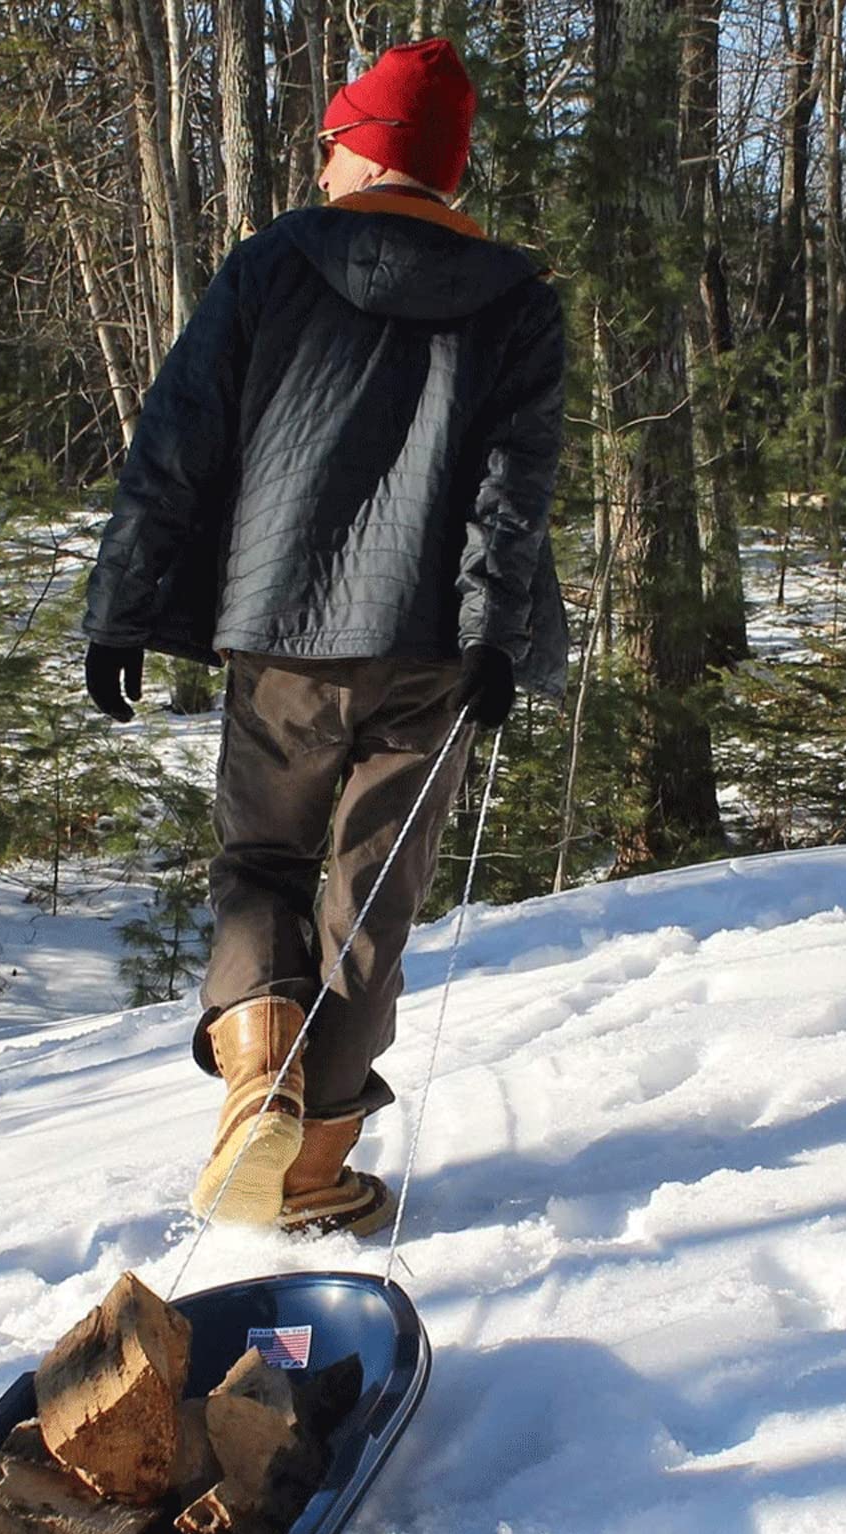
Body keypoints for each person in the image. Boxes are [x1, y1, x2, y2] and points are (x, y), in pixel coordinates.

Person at [82, 37, 567, 1235]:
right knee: (367, 904)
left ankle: (259, 1084)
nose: (324, 160)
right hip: (431, 655)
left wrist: (124, 601)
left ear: (361, 148)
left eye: (333, 140)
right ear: (445, 171)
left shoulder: (267, 269)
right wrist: (494, 638)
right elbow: (514, 489)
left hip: (281, 639)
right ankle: (310, 1170)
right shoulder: (517, 299)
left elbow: (176, 438)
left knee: (260, 867)